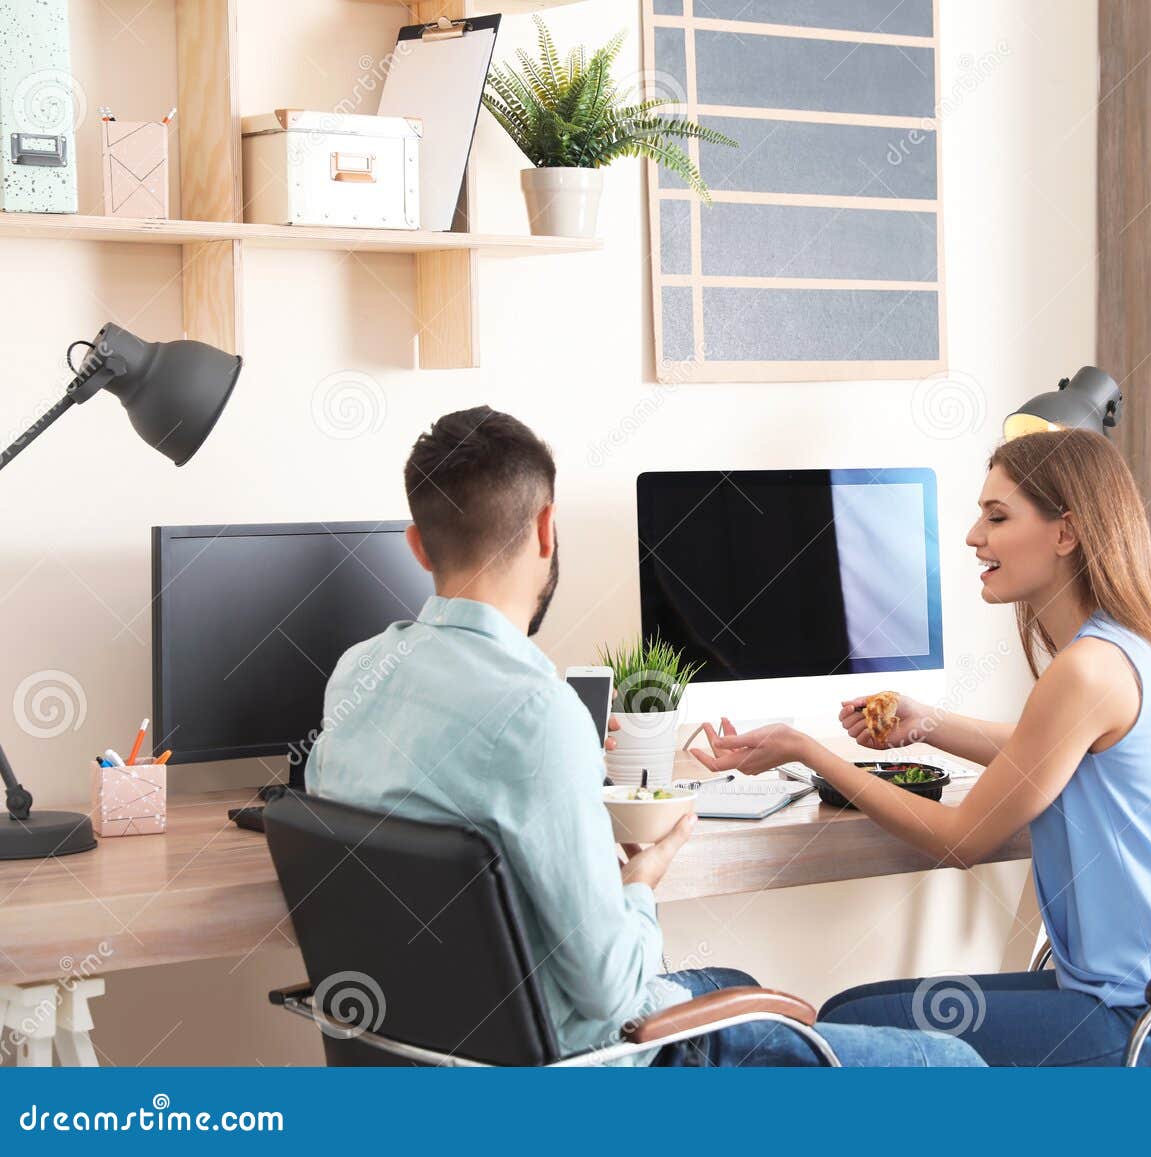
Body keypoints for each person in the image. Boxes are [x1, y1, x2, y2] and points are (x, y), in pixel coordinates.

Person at [304, 406, 981, 1068]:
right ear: (547, 529)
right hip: (592, 1064)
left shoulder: (354, 676)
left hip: (429, 1059)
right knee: (951, 1061)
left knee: (728, 978)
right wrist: (641, 881)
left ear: (418, 544)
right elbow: (611, 993)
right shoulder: (542, 711)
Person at [691, 428, 1151, 1067]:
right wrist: (927, 723)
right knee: (851, 1017)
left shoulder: (1085, 671)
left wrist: (809, 751)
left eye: (997, 517)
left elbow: (960, 839)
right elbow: (1044, 751)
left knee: (846, 1029)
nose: (974, 536)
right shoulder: (1120, 650)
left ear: (1066, 533)